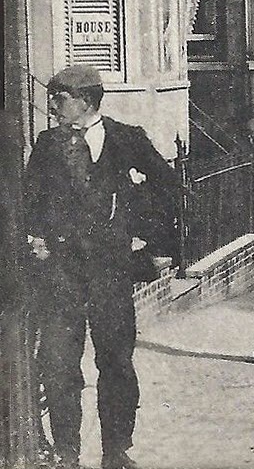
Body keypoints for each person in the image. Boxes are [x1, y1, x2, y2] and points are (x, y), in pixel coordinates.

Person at [25, 65, 183, 469]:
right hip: (60, 273)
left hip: (112, 271)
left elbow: (167, 188)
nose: (53, 106)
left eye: (60, 99)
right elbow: (30, 202)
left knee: (115, 362)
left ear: (86, 101)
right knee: (60, 364)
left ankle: (116, 450)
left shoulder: (128, 140)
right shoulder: (47, 145)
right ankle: (66, 453)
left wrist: (153, 243)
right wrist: (36, 240)